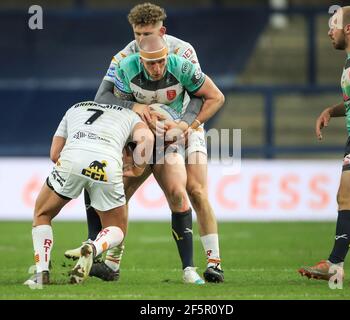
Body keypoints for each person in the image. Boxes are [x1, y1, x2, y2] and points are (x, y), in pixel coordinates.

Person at [65, 2, 225, 283]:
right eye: (137, 33)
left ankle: (214, 263)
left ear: (161, 31)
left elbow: (201, 94)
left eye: (147, 33)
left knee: (195, 190)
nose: (141, 39)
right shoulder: (124, 58)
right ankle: (111, 261)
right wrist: (135, 109)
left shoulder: (182, 51)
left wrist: (185, 125)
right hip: (143, 132)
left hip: (184, 125)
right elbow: (102, 97)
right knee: (120, 191)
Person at [24, 100, 154, 285]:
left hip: (73, 158)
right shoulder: (132, 116)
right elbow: (147, 138)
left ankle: (41, 274)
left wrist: (75, 171)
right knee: (117, 229)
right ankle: (93, 248)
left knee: (42, 213)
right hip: (107, 162)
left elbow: (54, 154)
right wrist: (138, 170)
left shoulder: (76, 107)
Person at [298, 6, 350, 283]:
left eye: (333, 26)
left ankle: (334, 264)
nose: (329, 32)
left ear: (348, 29)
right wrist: (331, 110)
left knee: (346, 197)